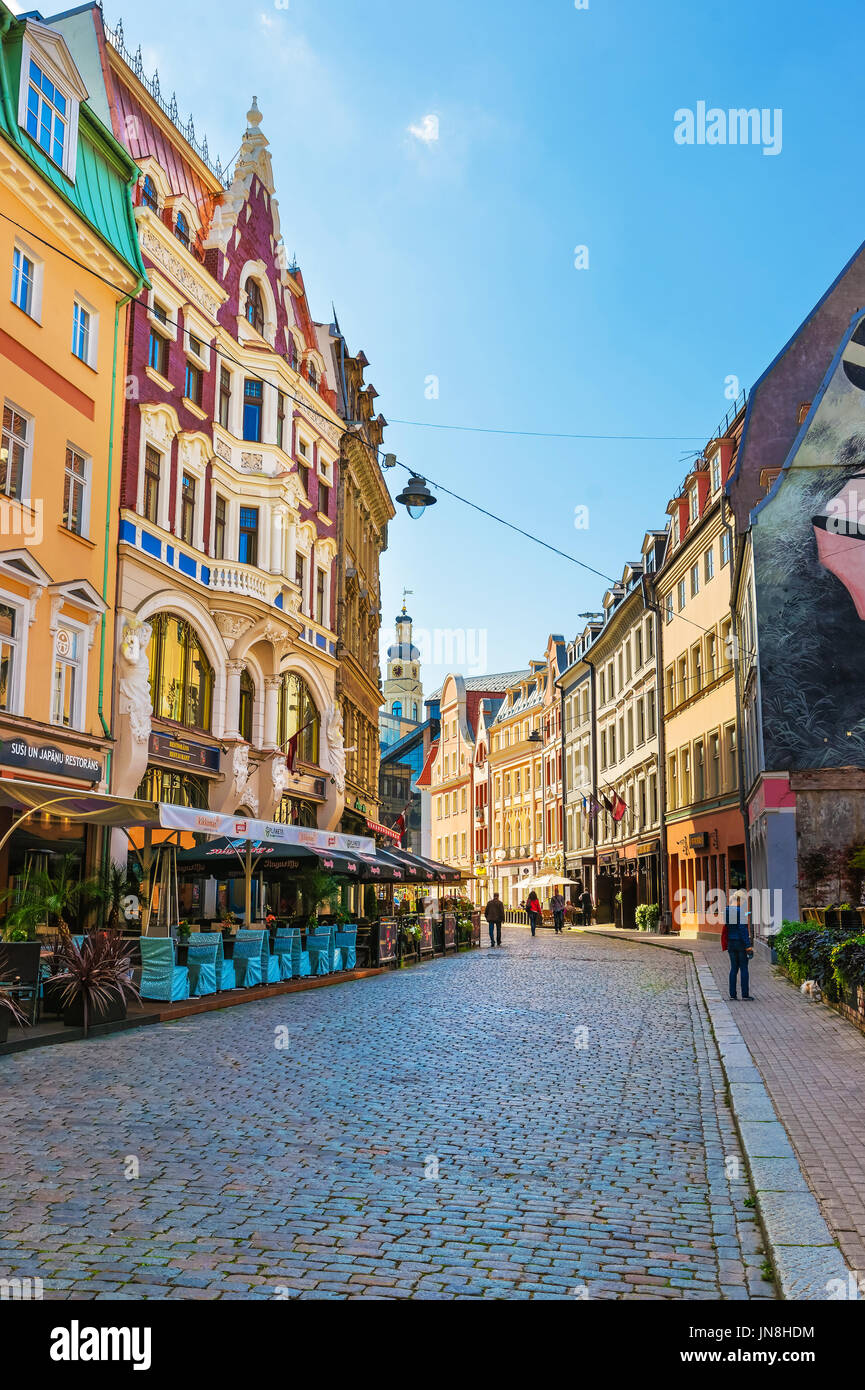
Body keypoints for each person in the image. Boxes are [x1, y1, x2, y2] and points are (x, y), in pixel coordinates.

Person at [724, 892, 754, 1001]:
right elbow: (742, 929)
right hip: (740, 943)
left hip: (731, 943)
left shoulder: (726, 911)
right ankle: (745, 995)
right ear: (738, 900)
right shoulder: (740, 911)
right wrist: (748, 946)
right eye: (742, 902)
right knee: (744, 968)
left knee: (733, 969)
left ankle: (733, 995)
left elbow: (730, 925)